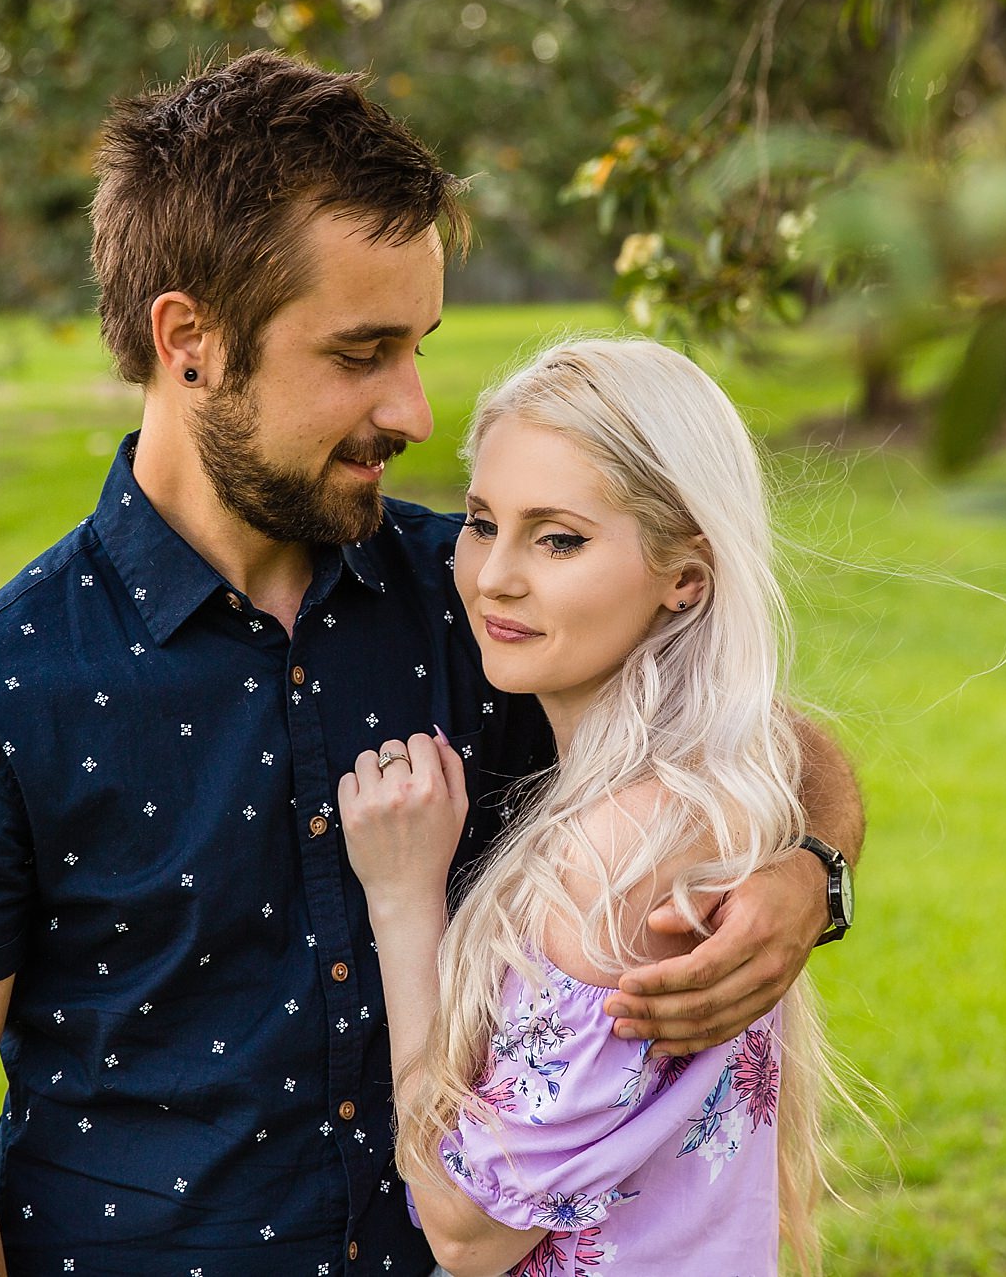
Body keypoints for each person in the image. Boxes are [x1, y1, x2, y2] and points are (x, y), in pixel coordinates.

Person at [0, 50, 862, 1276]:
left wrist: (810, 875)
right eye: (361, 352)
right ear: (190, 341)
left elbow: (751, 727)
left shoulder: (477, 596)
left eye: (418, 345)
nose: (416, 410)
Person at [340, 339, 840, 1277]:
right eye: (482, 521)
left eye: (558, 537)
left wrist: (404, 901)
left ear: (685, 576)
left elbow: (469, 1228)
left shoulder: (613, 853)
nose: (494, 576)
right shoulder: (719, 792)